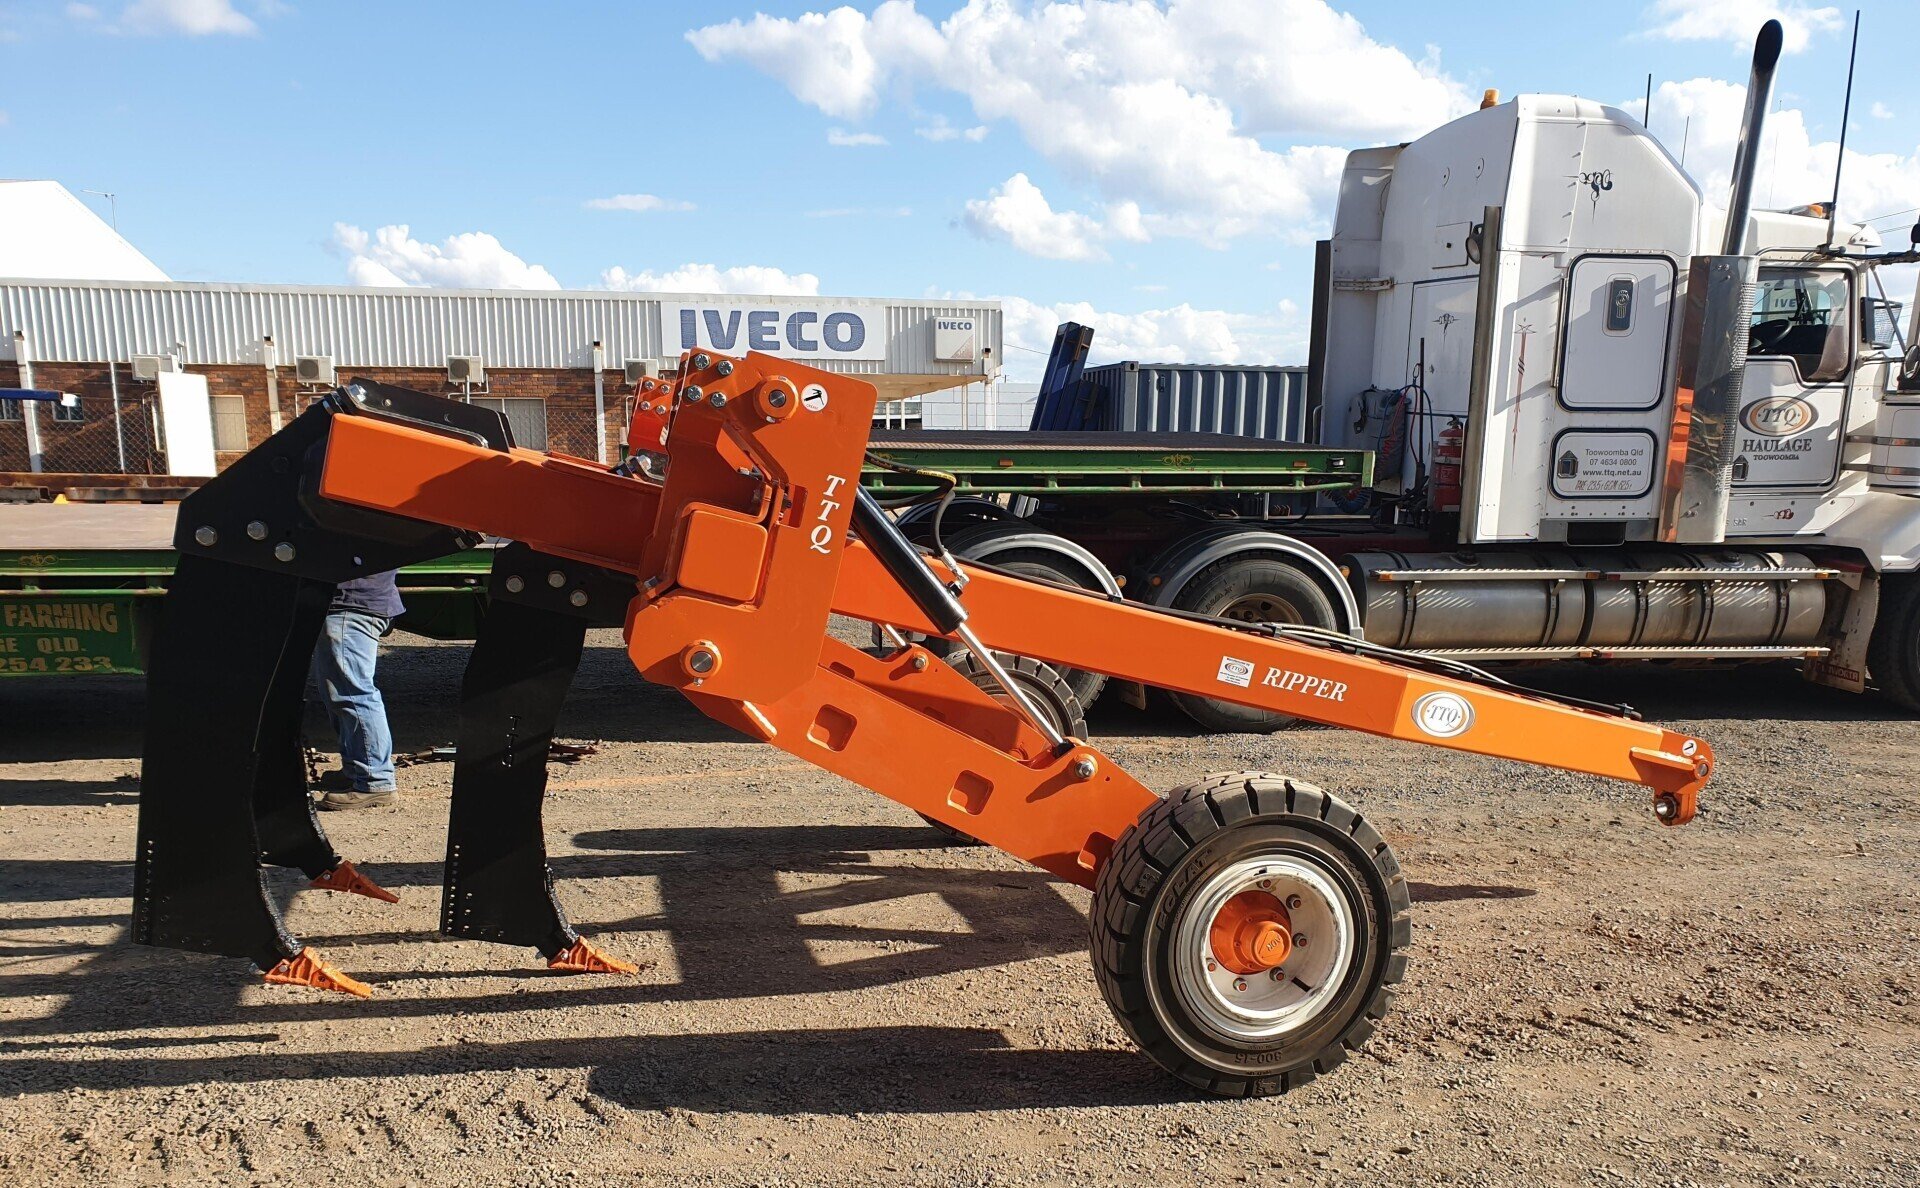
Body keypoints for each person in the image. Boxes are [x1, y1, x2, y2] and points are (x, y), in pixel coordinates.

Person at [309, 570, 403, 810]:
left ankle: (375, 781)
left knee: (352, 694)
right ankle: (357, 769)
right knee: (338, 692)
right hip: (355, 600)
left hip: (352, 603)